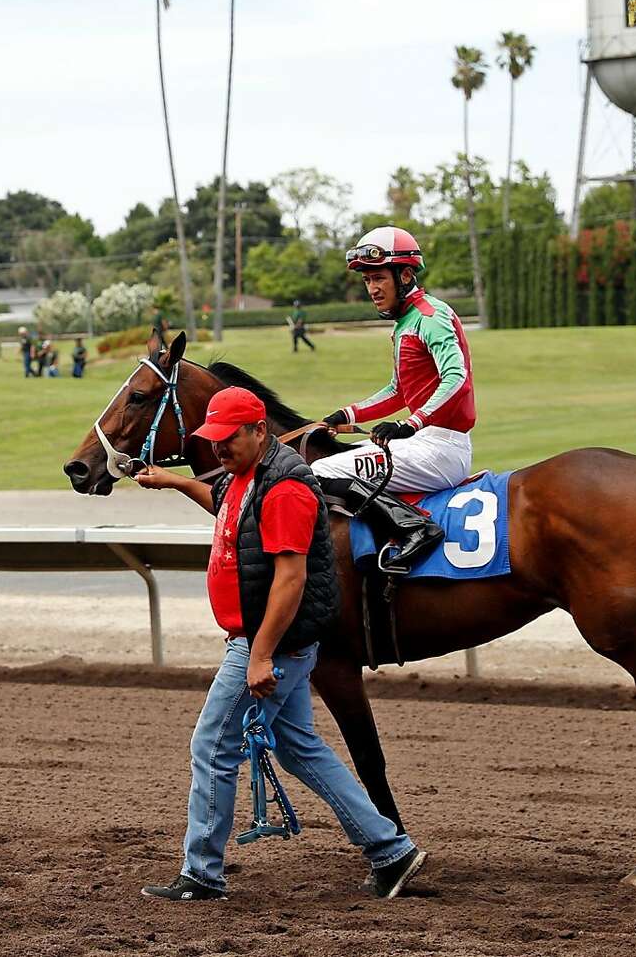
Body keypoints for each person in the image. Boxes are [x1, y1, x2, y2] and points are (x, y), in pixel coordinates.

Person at [132, 386, 426, 902]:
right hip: (269, 642)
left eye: (228, 439)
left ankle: (201, 874)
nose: (218, 449)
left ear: (259, 430)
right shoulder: (246, 477)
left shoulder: (286, 488)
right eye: (213, 440)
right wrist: (174, 481)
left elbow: (290, 580)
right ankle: (390, 849)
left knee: (212, 745)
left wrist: (261, 652)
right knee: (299, 747)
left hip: (269, 643)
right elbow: (222, 502)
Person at [312, 225, 470, 573]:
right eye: (368, 280)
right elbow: (399, 390)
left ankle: (413, 526)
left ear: (406, 274)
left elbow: (455, 378)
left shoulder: (431, 316)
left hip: (440, 448)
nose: (373, 288)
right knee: (339, 459)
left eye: (379, 278)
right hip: (426, 443)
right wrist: (345, 413)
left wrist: (410, 424)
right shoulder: (406, 323)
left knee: (319, 472)